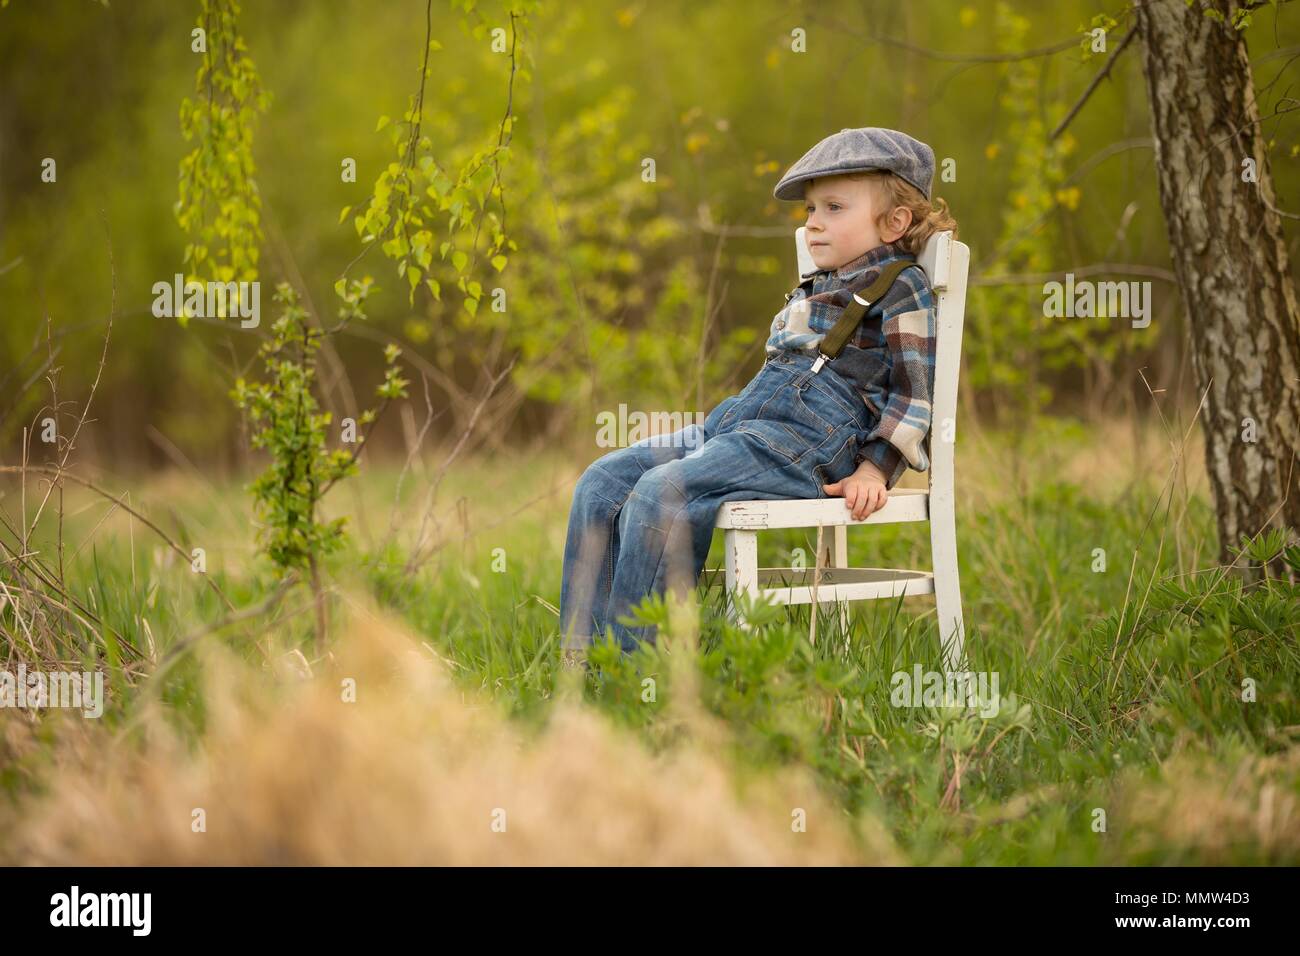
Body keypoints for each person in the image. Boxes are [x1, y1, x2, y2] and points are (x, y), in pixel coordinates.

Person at [558, 127, 959, 667]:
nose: (813, 221)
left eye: (833, 207)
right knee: (601, 482)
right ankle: (580, 666)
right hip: (741, 426)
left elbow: (915, 394)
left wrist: (875, 468)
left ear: (894, 221)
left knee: (663, 492)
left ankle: (639, 676)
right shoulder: (816, 285)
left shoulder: (900, 285)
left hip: (807, 442)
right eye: (811, 208)